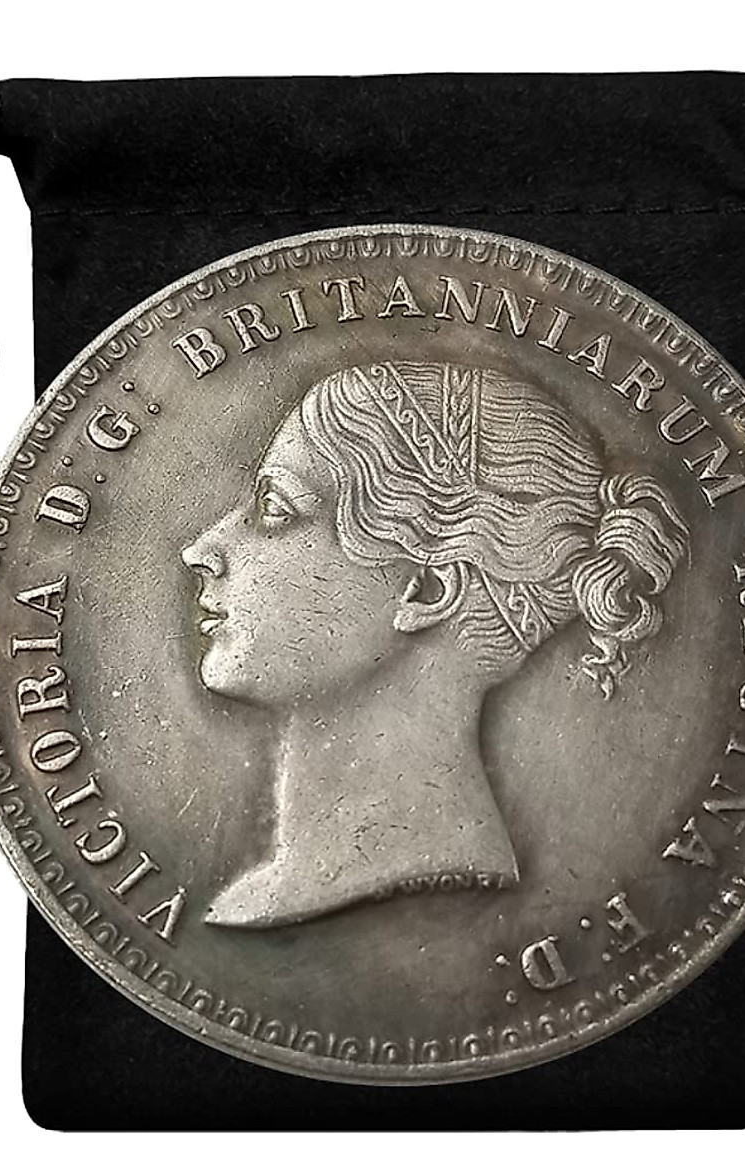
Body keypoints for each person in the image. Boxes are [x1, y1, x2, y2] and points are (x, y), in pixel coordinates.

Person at [181, 361, 689, 928]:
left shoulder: (419, 875)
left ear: (427, 589)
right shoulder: (252, 896)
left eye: (276, 510)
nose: (201, 550)